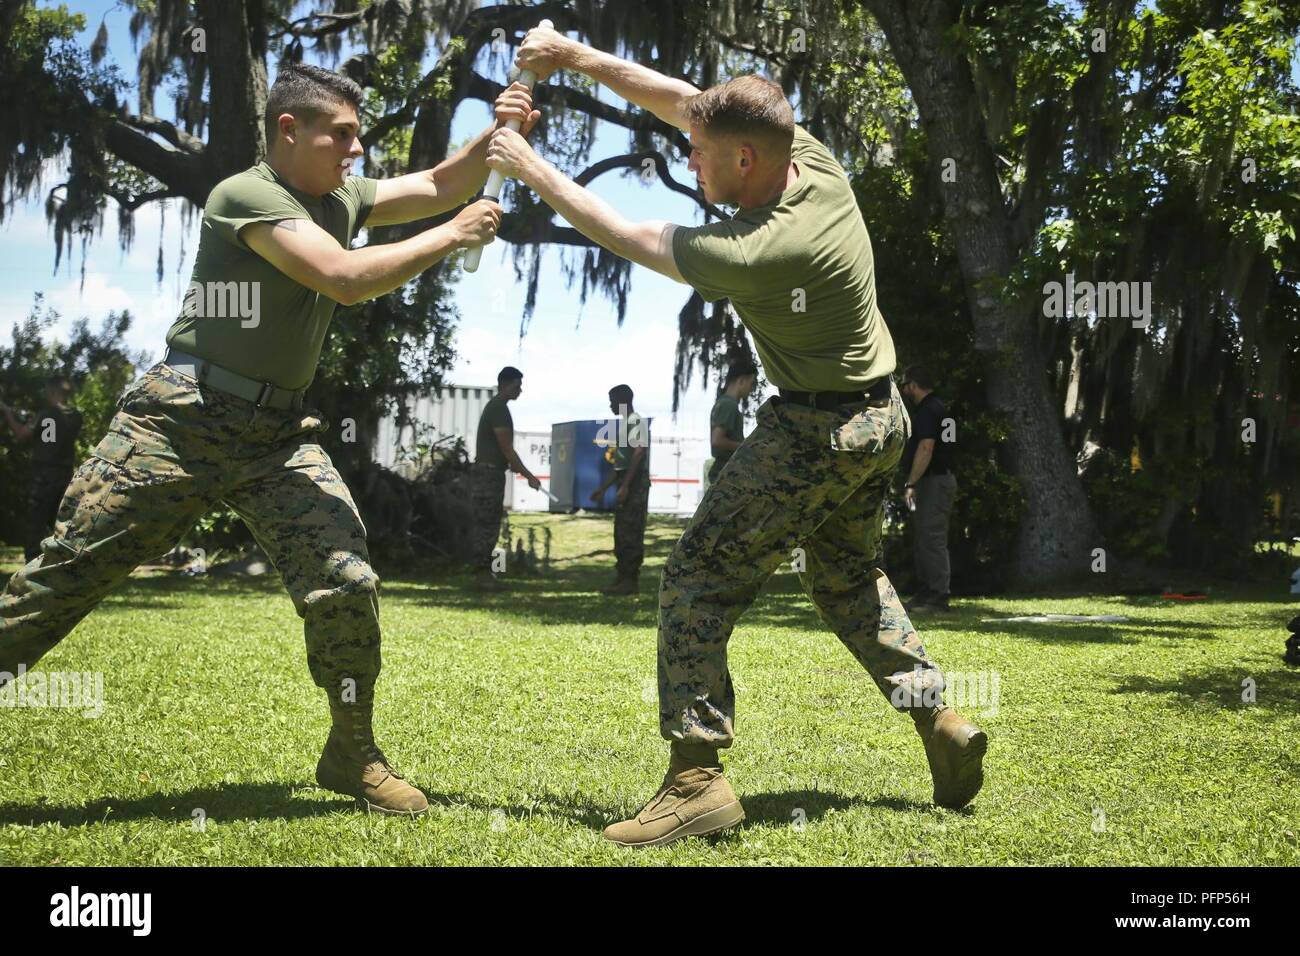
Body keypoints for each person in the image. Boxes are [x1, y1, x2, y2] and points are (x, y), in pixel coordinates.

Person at [491, 28, 987, 847]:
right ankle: (938, 717)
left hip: (818, 427)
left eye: (698, 154)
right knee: (849, 582)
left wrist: (527, 164)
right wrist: (572, 56)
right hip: (881, 419)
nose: (690, 161)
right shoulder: (813, 161)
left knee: (697, 577)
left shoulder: (758, 251)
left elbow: (620, 234)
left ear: (746, 162)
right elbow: (685, 100)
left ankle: (696, 779)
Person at [0, 63, 538, 816]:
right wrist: (452, 236)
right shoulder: (246, 196)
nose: (356, 151)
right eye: (342, 135)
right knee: (63, 580)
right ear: (290, 130)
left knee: (345, 578)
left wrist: (499, 125)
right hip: (180, 422)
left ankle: (352, 754)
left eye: (359, 136)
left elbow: (445, 180)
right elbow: (343, 279)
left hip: (276, 435)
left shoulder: (344, 194)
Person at [471, 366, 542, 589]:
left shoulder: (496, 407)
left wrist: (510, 464)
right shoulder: (499, 409)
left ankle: (485, 573)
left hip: (491, 472)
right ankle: (482, 575)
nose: (520, 390)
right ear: (505, 384)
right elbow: (507, 448)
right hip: (489, 475)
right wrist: (529, 476)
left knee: (489, 521)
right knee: (488, 523)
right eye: (517, 385)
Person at [1, 376, 84, 562]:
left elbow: (22, 435)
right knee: (61, 524)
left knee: (35, 524)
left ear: (53, 391)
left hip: (43, 476)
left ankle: (32, 563)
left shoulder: (45, 414)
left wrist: (8, 413)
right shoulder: (75, 416)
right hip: (64, 476)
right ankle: (63, 563)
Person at [899, 365, 957, 612]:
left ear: (913, 385)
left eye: (905, 385)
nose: (903, 390)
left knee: (931, 538)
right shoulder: (941, 408)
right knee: (925, 537)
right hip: (938, 479)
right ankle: (926, 592)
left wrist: (911, 482)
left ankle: (938, 595)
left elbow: (926, 448)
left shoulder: (927, 411)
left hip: (933, 480)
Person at [590, 384, 649, 595]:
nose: (610, 405)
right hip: (626, 481)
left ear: (623, 401)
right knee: (622, 531)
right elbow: (620, 465)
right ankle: (622, 576)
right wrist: (603, 489)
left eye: (612, 401)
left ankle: (630, 580)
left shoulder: (636, 422)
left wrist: (625, 485)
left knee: (631, 530)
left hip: (634, 484)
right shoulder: (624, 424)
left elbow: (639, 453)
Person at [708, 360, 756, 484]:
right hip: (726, 472)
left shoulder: (723, 403)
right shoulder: (728, 405)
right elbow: (717, 441)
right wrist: (746, 447)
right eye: (751, 384)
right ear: (741, 381)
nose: (751, 389)